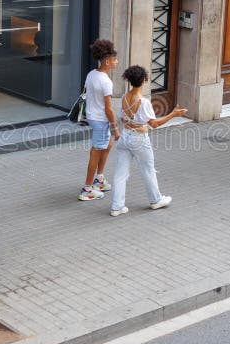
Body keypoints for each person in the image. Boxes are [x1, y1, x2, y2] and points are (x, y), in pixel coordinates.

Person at [110, 65, 187, 217]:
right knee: (148, 169)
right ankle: (155, 200)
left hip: (125, 136)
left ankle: (117, 207)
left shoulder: (125, 97)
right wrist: (174, 114)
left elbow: (121, 117)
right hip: (139, 139)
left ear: (130, 80)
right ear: (144, 81)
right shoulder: (143, 102)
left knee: (120, 173)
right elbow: (154, 124)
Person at [79, 39, 120, 201]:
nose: (117, 62)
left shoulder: (91, 74)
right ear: (108, 62)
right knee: (95, 152)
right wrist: (115, 128)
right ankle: (87, 189)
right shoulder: (106, 82)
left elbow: (85, 92)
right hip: (101, 120)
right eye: (115, 60)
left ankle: (99, 178)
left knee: (107, 144)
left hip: (91, 116)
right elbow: (108, 109)